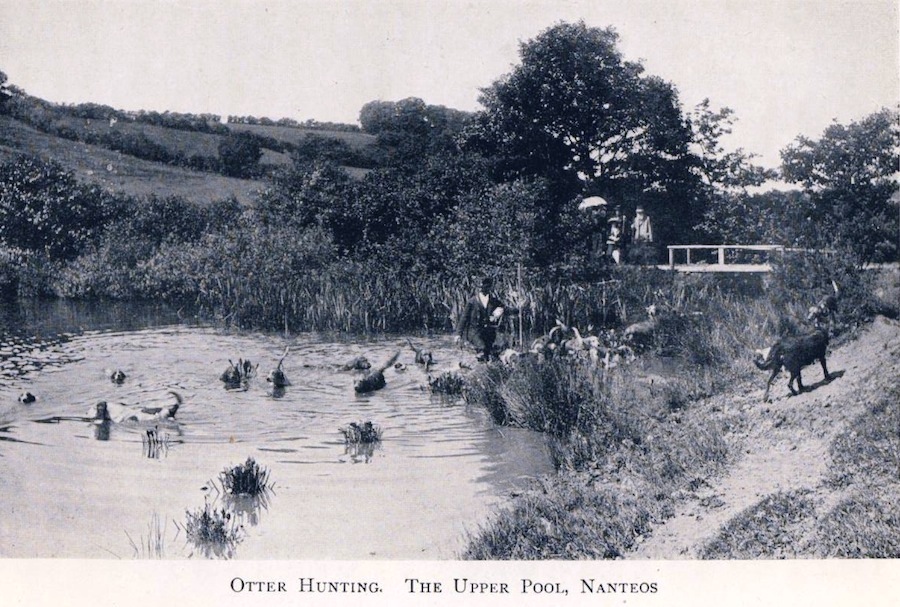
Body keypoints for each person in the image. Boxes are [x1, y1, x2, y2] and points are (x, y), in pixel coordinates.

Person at [457, 276, 509, 361]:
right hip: (474, 332)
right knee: (481, 348)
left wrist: (519, 308)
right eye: (482, 287)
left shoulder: (493, 301)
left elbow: (506, 309)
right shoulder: (472, 302)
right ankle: (479, 364)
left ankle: (487, 369)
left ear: (490, 287)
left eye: (487, 287)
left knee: (490, 352)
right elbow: (464, 317)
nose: (484, 289)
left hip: (489, 332)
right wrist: (458, 334)